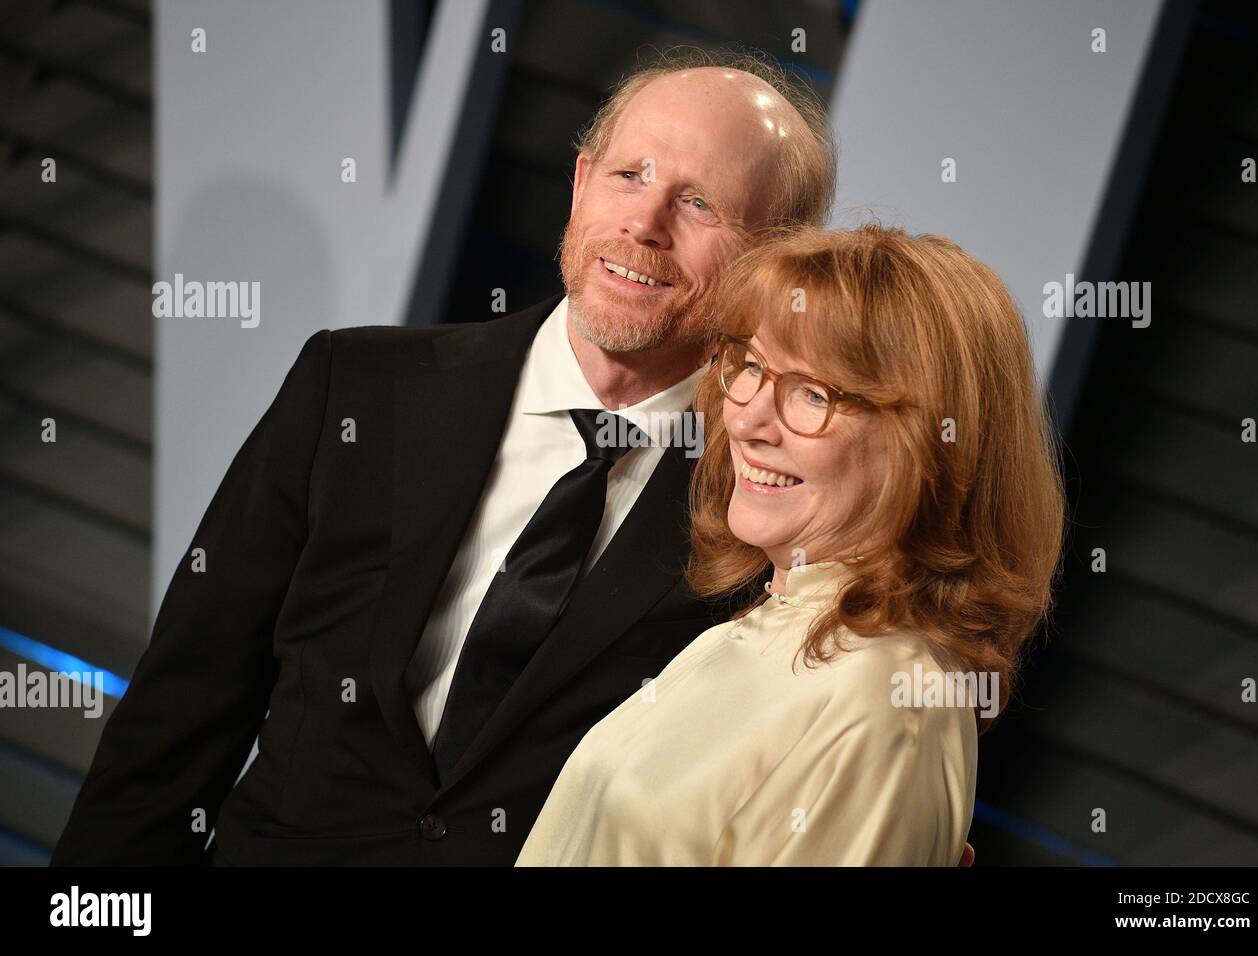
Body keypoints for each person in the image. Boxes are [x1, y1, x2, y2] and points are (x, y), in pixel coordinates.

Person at [49, 50, 838, 866]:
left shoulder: (767, 507)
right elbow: (180, 713)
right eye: (629, 175)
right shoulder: (356, 388)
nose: (645, 222)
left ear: (776, 264)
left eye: (700, 201)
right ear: (579, 184)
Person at [516, 224, 1065, 865]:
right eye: (751, 366)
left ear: (930, 446)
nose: (745, 418)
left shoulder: (889, 704)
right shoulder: (770, 624)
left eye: (812, 393)